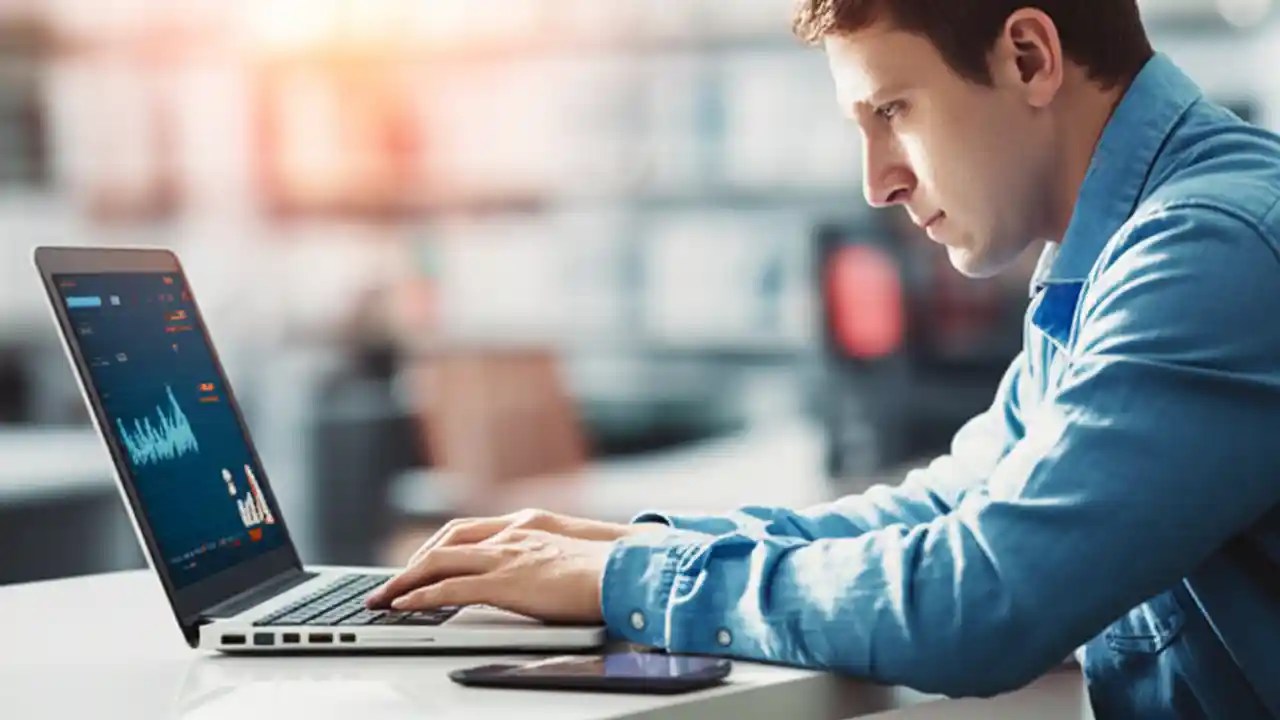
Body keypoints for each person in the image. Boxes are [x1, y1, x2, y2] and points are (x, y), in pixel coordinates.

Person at [366, 2, 1280, 716]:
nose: (877, 180)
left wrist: (625, 583)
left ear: (1029, 58)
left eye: (893, 111)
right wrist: (639, 547)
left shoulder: (1208, 254)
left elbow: (978, 597)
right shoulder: (1123, 253)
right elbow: (950, 512)